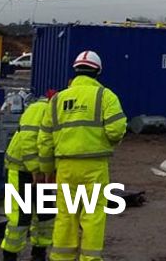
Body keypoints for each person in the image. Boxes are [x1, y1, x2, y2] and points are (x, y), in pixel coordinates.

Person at [38, 51, 127, 261]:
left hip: (65, 168)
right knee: (92, 216)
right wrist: (108, 143)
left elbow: (44, 140)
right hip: (94, 167)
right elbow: (116, 130)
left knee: (65, 216)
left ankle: (61, 258)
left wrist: (46, 170)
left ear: (76, 71)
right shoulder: (105, 96)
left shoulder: (57, 99)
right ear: (98, 71)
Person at [1, 94, 55, 261]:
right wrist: (35, 170)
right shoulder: (39, 109)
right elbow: (29, 140)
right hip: (21, 169)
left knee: (45, 214)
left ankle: (39, 252)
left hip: (41, 170)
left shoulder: (59, 112)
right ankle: (9, 255)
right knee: (20, 217)